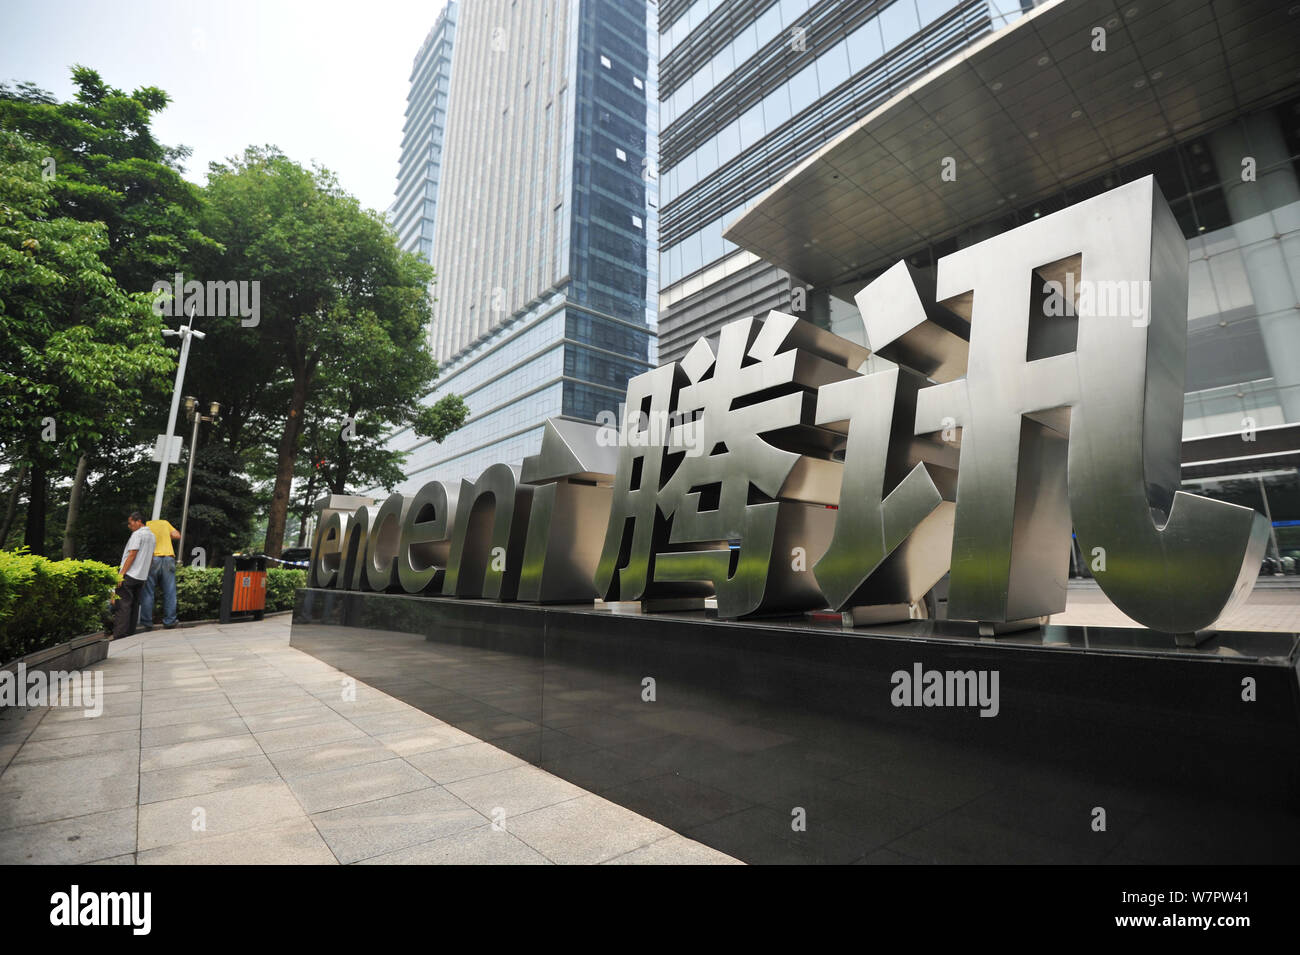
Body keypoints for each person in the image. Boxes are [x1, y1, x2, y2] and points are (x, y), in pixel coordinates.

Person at [113, 511, 155, 640]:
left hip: (130, 574)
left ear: (138, 522)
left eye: (130, 523)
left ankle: (120, 634)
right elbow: (151, 556)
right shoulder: (152, 536)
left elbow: (132, 554)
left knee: (123, 604)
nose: (129, 526)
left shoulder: (137, 535)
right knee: (134, 604)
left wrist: (121, 574)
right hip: (141, 576)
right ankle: (130, 632)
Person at [138, 516, 182, 631]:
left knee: (148, 591)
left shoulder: (145, 527)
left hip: (152, 559)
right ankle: (170, 621)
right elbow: (177, 535)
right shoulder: (165, 523)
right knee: (170, 591)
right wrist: (166, 536)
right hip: (168, 558)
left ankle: (147, 623)